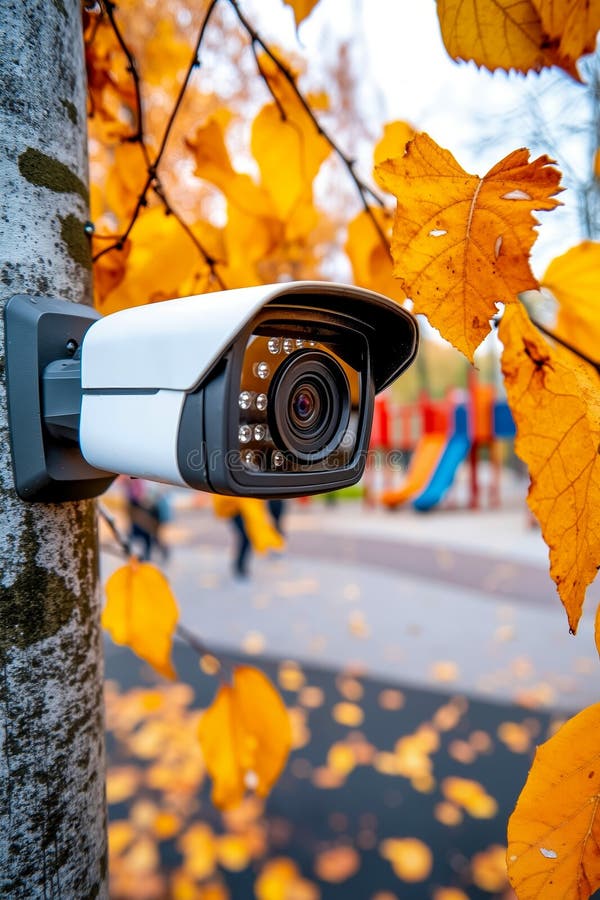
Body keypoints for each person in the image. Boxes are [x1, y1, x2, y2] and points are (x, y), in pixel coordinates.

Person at [213, 496, 284, 578]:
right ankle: (240, 566)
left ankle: (240, 566)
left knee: (246, 537)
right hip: (236, 509)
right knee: (246, 537)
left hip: (241, 508)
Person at [123, 477, 170, 561]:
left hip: (148, 514)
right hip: (143, 512)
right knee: (148, 537)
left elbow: (140, 498)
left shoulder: (144, 485)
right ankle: (146, 556)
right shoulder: (140, 483)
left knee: (150, 537)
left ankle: (155, 554)